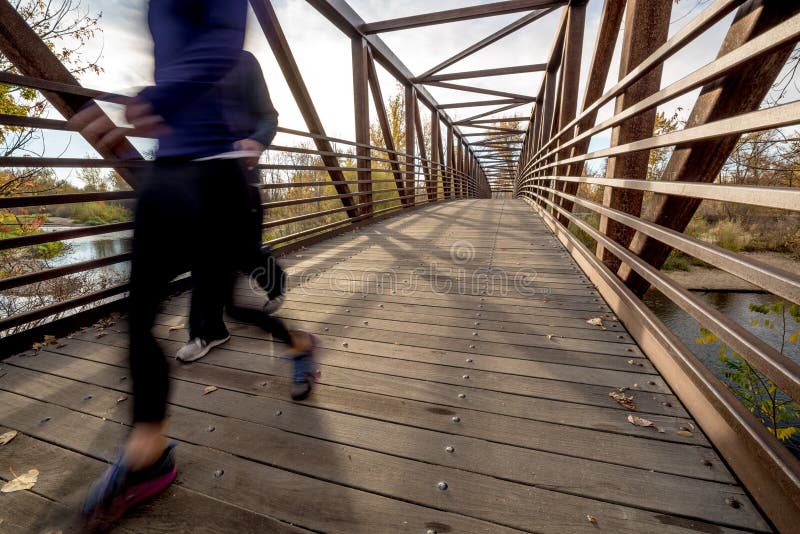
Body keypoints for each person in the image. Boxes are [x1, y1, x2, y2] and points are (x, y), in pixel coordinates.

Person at [70, 1, 317, 528]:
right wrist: (132, 117)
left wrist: (257, 137)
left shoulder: (245, 62)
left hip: (225, 181)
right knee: (137, 313)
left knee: (228, 305)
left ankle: (299, 344)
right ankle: (148, 454)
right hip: (170, 173)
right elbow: (172, 80)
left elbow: (227, 49)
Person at [176, 50, 290, 363]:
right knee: (204, 259)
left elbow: (268, 115)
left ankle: (274, 280)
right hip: (199, 182)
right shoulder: (184, 63)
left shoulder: (243, 61)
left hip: (241, 179)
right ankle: (209, 330)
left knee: (245, 252)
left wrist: (257, 141)